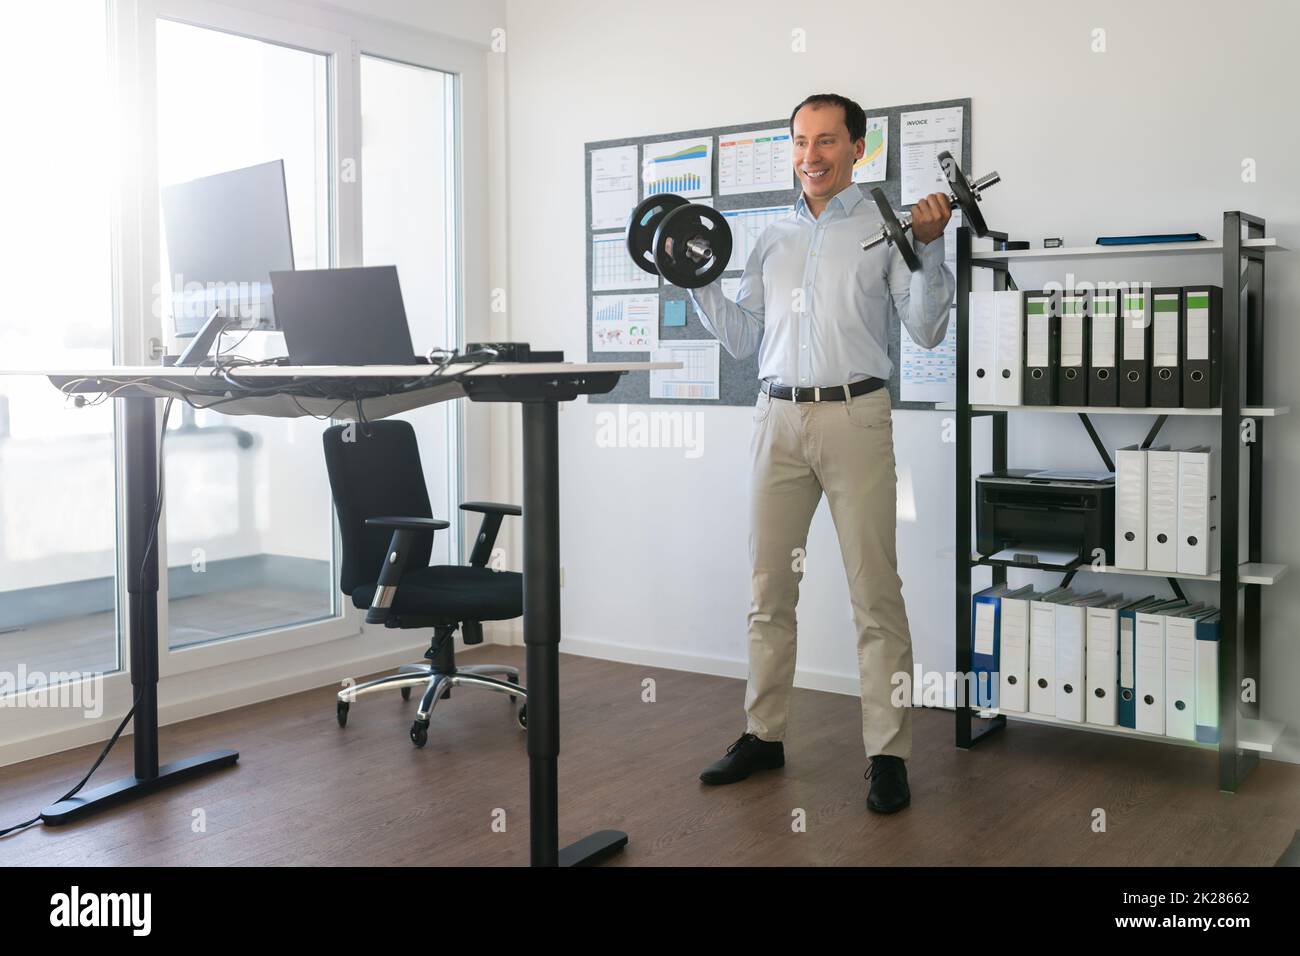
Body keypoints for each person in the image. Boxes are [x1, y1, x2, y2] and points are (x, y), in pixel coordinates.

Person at [689, 93, 954, 813]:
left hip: (855, 416)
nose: (811, 156)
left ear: (858, 148)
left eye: (827, 141)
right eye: (801, 141)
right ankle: (763, 734)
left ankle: (889, 754)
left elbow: (927, 329)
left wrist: (928, 248)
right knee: (768, 593)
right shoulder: (771, 234)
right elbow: (745, 341)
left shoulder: (888, 224)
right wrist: (692, 278)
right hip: (775, 419)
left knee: (875, 594)